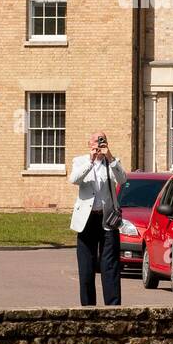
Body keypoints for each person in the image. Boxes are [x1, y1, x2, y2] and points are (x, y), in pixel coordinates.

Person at [69, 131, 127, 306]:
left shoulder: (112, 163)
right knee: (86, 266)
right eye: (96, 141)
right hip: (87, 220)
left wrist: (110, 157)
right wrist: (90, 161)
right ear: (89, 144)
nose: (99, 144)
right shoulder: (80, 161)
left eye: (102, 141)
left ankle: (113, 306)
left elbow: (123, 179)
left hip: (107, 219)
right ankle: (87, 308)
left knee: (110, 265)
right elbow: (74, 179)